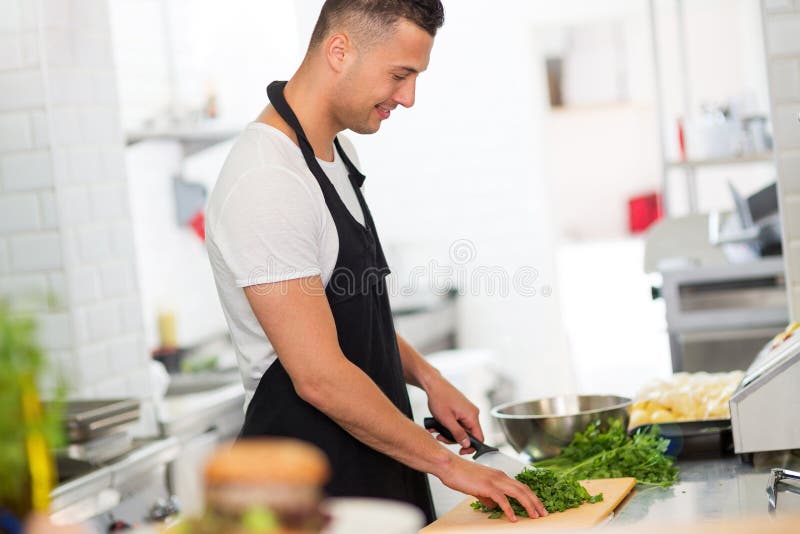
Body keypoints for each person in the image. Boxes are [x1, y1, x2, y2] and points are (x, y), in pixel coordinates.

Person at [205, 0, 546, 524]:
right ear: (339, 50)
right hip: (315, 495)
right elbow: (319, 375)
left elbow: (349, 317)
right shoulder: (267, 181)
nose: (408, 98)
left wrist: (427, 378)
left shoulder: (336, 153)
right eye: (400, 74)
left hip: (378, 463)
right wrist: (448, 466)